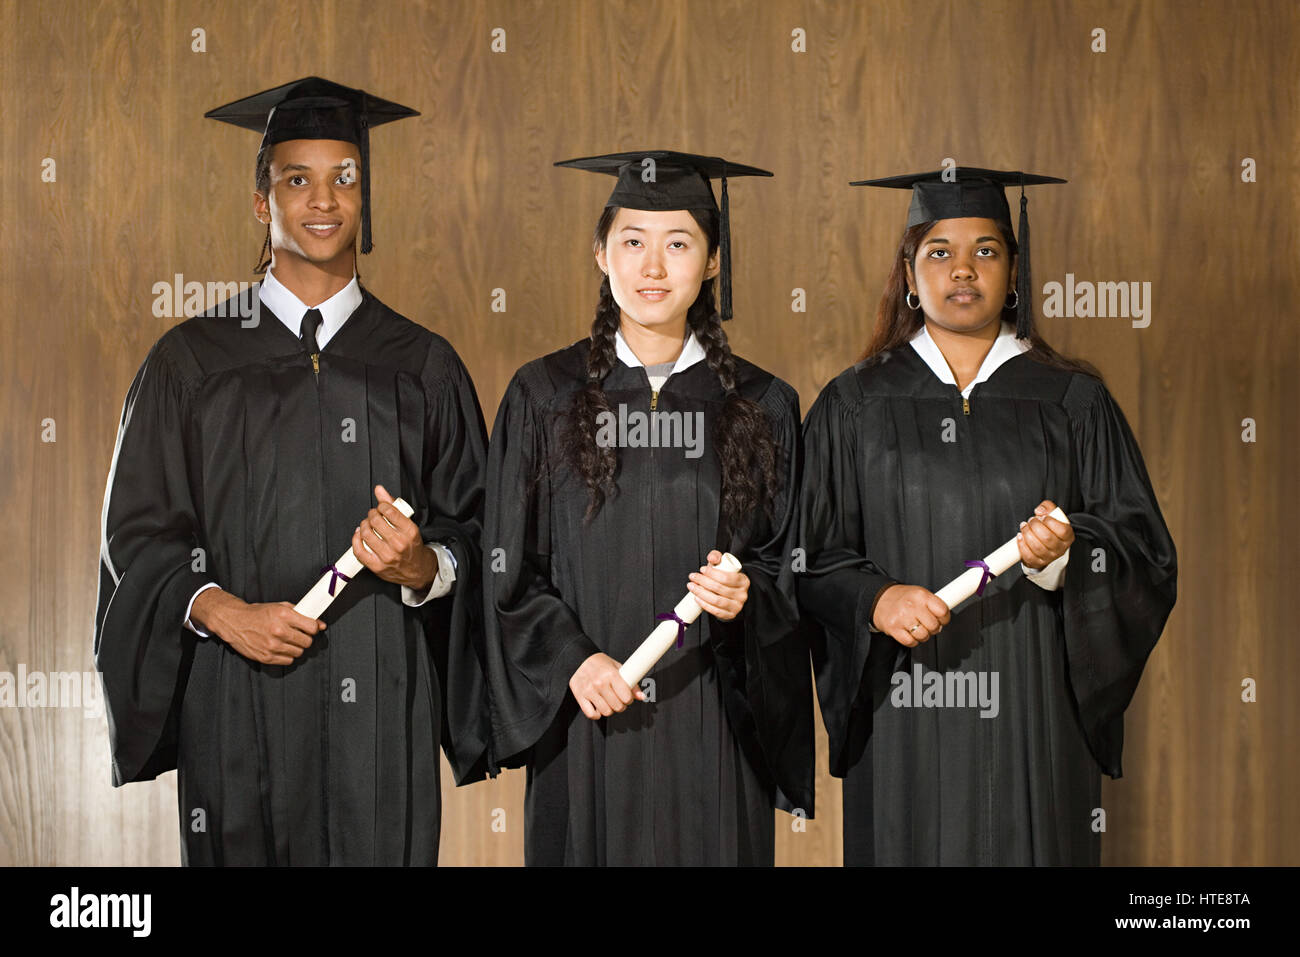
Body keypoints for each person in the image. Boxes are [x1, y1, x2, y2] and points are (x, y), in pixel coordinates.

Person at [93, 76, 491, 865]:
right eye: (296, 178)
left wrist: (422, 565)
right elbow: (135, 538)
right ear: (260, 200)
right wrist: (218, 610)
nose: (323, 199)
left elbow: (482, 534)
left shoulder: (423, 366)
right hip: (237, 704)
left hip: (381, 710)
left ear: (365, 199)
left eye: (345, 178)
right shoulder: (191, 362)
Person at [797, 167, 1177, 865]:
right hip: (903, 710)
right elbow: (807, 561)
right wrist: (875, 599)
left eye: (986, 250)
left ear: (1013, 273)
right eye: (939, 251)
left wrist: (1067, 556)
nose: (962, 269)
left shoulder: (1074, 404)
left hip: (1035, 715)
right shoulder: (852, 407)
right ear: (910, 276)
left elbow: (1144, 554)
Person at [483, 151, 813, 866]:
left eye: (679, 243)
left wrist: (746, 597)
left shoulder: (763, 406)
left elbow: (790, 562)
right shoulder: (543, 396)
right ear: (601, 253)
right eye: (633, 241)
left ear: (714, 261)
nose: (653, 268)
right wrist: (573, 662)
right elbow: (509, 566)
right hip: (586, 722)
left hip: (715, 728)